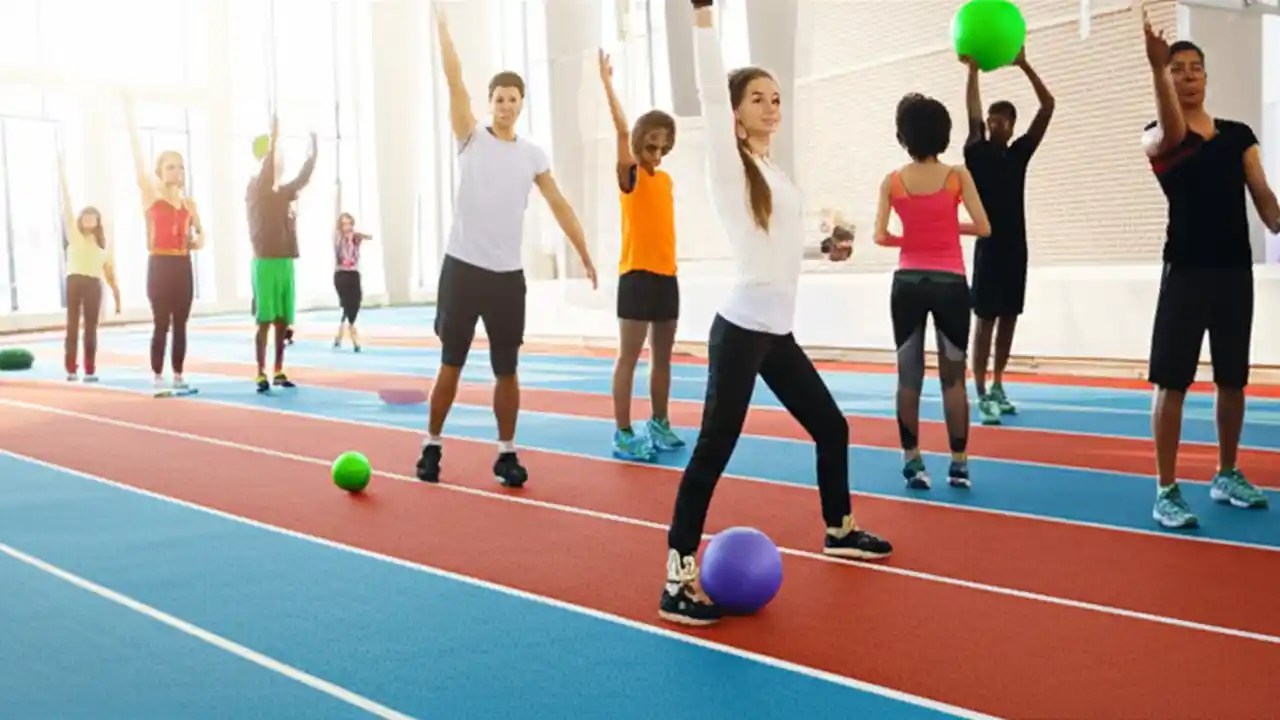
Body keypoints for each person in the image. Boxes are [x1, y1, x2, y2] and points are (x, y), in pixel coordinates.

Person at [659, 0, 892, 627]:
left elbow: (779, 244)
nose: (771, 105)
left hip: (776, 332)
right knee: (715, 446)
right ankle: (677, 575)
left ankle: (839, 528)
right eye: (758, 98)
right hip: (739, 331)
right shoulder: (728, 166)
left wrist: (826, 248)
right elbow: (711, 92)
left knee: (832, 427)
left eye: (776, 97)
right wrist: (704, 16)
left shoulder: (772, 173)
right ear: (735, 115)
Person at [416, 4, 597, 488]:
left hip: (505, 278)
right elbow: (454, 82)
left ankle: (506, 452)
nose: (505, 104)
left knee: (507, 370)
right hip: (462, 269)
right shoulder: (470, 138)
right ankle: (432, 445)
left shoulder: (532, 154)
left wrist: (583, 252)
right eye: (498, 97)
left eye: (513, 98)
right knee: (450, 363)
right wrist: (442, 28)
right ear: (490, 102)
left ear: (521, 104)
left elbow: (559, 204)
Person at [1138, 17, 1279, 528]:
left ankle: (1225, 472)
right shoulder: (1156, 135)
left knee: (1232, 380)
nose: (1189, 76)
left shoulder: (1239, 135)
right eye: (1178, 69)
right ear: (1168, 79)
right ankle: (1167, 489)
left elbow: (1266, 202)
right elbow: (1173, 132)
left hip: (1232, 273)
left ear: (1206, 77)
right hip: (1185, 272)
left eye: (1196, 69)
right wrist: (1156, 69)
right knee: (1171, 383)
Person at [874, 94, 991, 491]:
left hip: (907, 283)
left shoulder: (892, 181)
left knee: (909, 377)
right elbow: (984, 227)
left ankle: (912, 462)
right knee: (953, 378)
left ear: (902, 136)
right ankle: (958, 464)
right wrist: (947, 229)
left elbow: (880, 236)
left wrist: (912, 237)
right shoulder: (958, 176)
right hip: (951, 284)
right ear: (945, 133)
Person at [597, 48, 684, 463]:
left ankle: (660, 422)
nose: (656, 155)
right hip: (635, 276)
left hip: (666, 276)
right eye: (650, 146)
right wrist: (608, 85)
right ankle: (623, 431)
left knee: (662, 358)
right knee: (628, 357)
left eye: (663, 148)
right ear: (638, 144)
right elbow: (619, 130)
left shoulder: (665, 180)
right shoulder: (629, 175)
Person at [961, 46, 1054, 425]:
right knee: (983, 321)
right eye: (993, 119)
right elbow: (970, 113)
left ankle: (999, 384)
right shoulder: (976, 152)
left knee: (1009, 317)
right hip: (989, 248)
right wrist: (972, 72)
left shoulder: (1019, 155)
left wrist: (1025, 64)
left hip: (1017, 247)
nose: (998, 124)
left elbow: (1048, 106)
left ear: (1013, 127)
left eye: (1005, 120)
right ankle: (980, 390)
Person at [123, 95, 205, 392]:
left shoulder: (190, 203)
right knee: (161, 322)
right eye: (170, 167)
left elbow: (202, 235)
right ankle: (157, 375)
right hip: (159, 264)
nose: (176, 172)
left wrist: (196, 241)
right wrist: (130, 115)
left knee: (182, 323)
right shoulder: (152, 197)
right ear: (160, 171)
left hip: (182, 264)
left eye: (180, 167)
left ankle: (179, 374)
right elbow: (137, 161)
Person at [246, 115, 317, 393]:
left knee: (281, 320)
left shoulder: (282, 193)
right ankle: (260, 372)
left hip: (285, 260)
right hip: (265, 262)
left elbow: (302, 179)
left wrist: (313, 153)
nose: (279, 163)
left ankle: (278, 370)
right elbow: (266, 172)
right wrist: (274, 139)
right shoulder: (256, 188)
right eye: (274, 158)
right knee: (264, 320)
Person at [58, 150, 121, 382]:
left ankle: (90, 368)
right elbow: (67, 206)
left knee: (91, 328)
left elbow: (111, 275)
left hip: (94, 284)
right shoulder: (74, 236)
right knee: (73, 326)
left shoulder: (103, 249)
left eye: (92, 218)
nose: (88, 221)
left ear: (97, 223)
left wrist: (118, 298)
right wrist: (63, 176)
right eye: (85, 217)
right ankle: (71, 368)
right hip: (75, 281)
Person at [333, 212, 372, 352]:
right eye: (344, 224)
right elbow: (340, 248)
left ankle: (340, 333)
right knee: (347, 303)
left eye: (349, 223)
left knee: (354, 302)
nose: (347, 227)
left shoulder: (355, 237)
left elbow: (363, 237)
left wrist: (362, 237)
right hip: (341, 274)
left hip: (354, 273)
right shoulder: (338, 237)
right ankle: (354, 335)